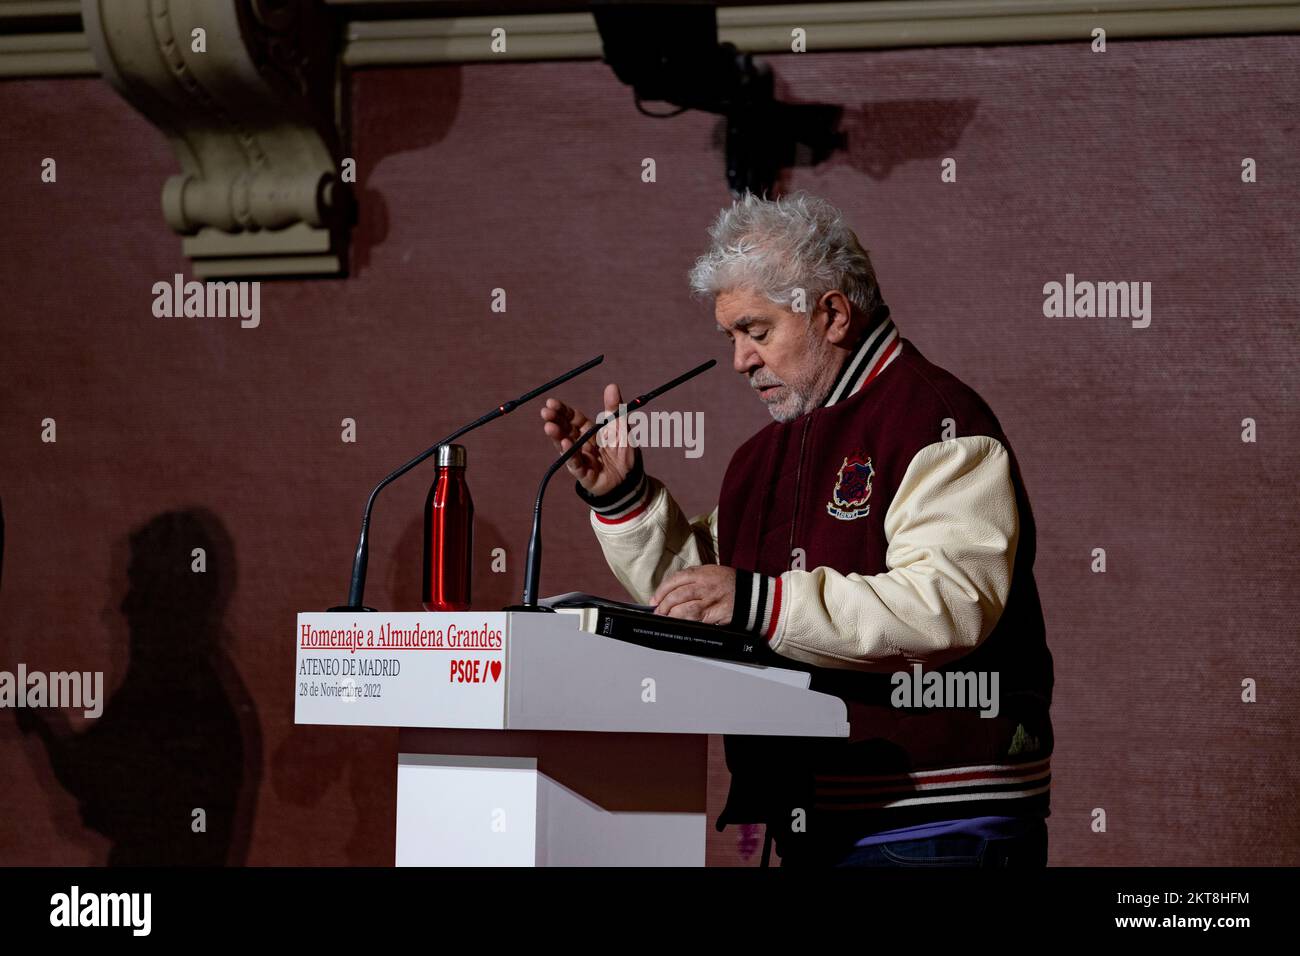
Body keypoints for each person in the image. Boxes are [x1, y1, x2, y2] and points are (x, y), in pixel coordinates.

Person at [540, 191, 1053, 867]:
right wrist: (624, 500)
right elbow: (709, 600)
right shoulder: (763, 456)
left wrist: (757, 602)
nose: (740, 360)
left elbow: (947, 606)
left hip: (934, 822)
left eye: (756, 331)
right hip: (815, 817)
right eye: (730, 338)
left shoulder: (937, 420)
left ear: (832, 314)